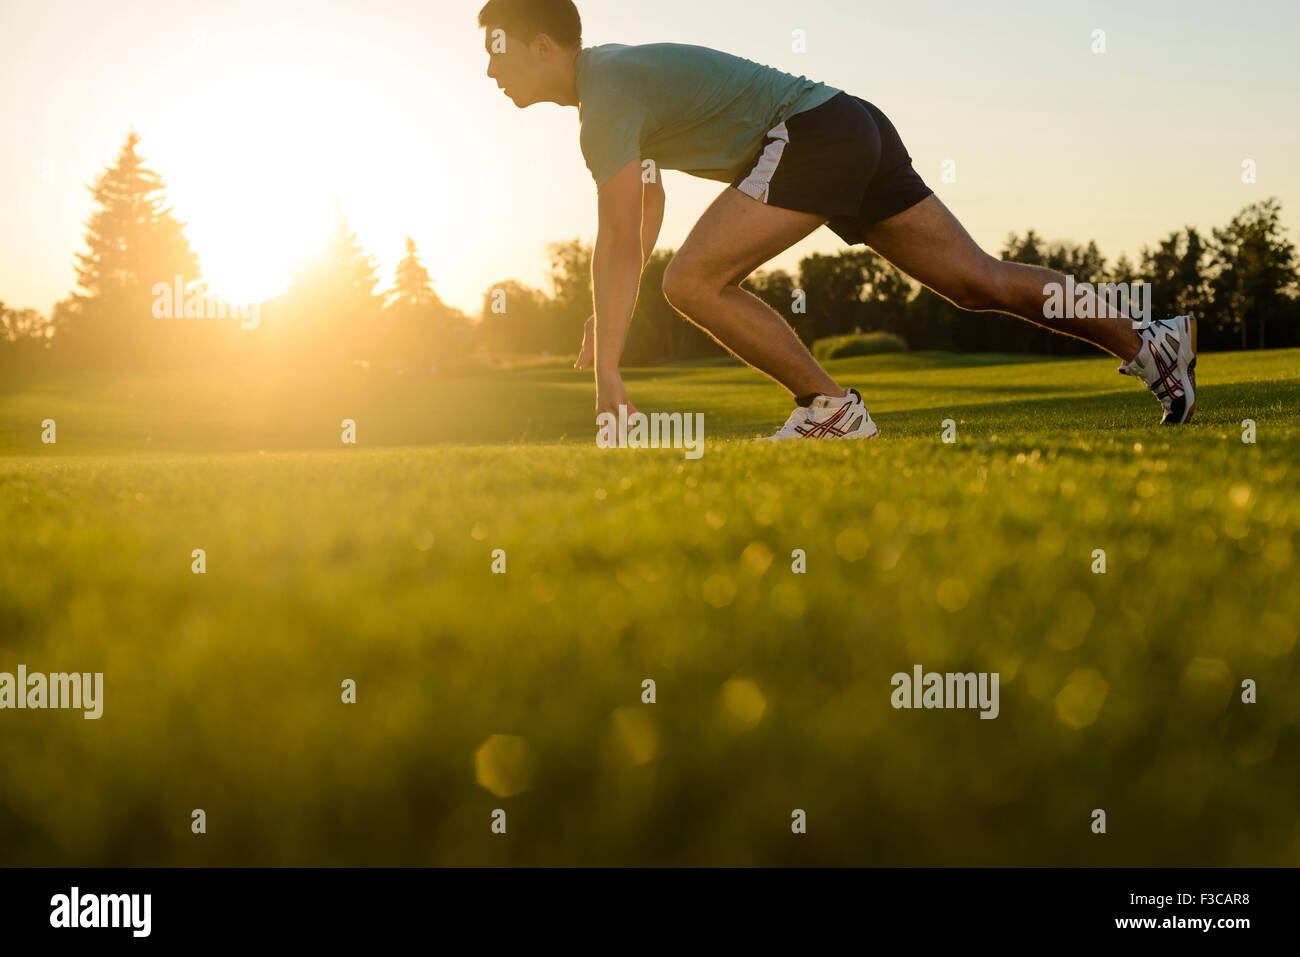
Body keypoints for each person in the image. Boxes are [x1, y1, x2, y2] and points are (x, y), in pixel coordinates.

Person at [478, 0, 1198, 439]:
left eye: (498, 49)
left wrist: (608, 369)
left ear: (544, 45)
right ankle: (1151, 345)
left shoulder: (603, 97)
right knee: (976, 281)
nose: (490, 69)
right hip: (848, 123)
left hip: (813, 134)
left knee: (692, 282)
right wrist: (608, 317)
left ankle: (829, 406)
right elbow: (642, 212)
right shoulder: (612, 86)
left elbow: (612, 237)